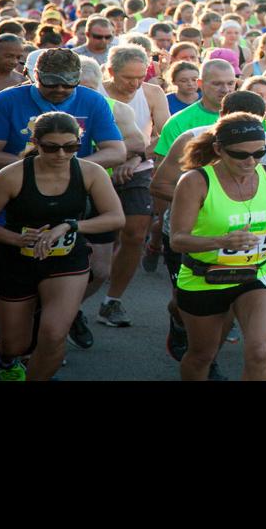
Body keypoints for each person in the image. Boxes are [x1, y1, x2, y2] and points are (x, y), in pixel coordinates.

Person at [0, 112, 125, 379]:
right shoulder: (12, 175)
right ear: (36, 143)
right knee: (16, 345)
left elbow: (115, 217)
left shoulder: (90, 172)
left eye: (71, 147)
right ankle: (6, 358)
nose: (62, 154)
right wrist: (17, 239)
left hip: (65, 259)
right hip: (15, 261)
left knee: (53, 335)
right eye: (52, 147)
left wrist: (71, 226)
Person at [168, 113, 266, 380]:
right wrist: (221, 241)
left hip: (258, 272)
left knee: (261, 350)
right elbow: (177, 240)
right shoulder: (196, 182)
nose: (250, 161)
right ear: (218, 149)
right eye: (240, 155)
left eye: (258, 153)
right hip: (204, 277)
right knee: (202, 356)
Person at [95, 45, 170, 328]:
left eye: (141, 76)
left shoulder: (152, 93)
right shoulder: (95, 93)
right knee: (98, 241)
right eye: (128, 78)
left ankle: (112, 301)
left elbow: (165, 134)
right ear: (111, 72)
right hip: (97, 171)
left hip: (138, 169)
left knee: (136, 234)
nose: (135, 84)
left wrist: (136, 157)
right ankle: (74, 296)